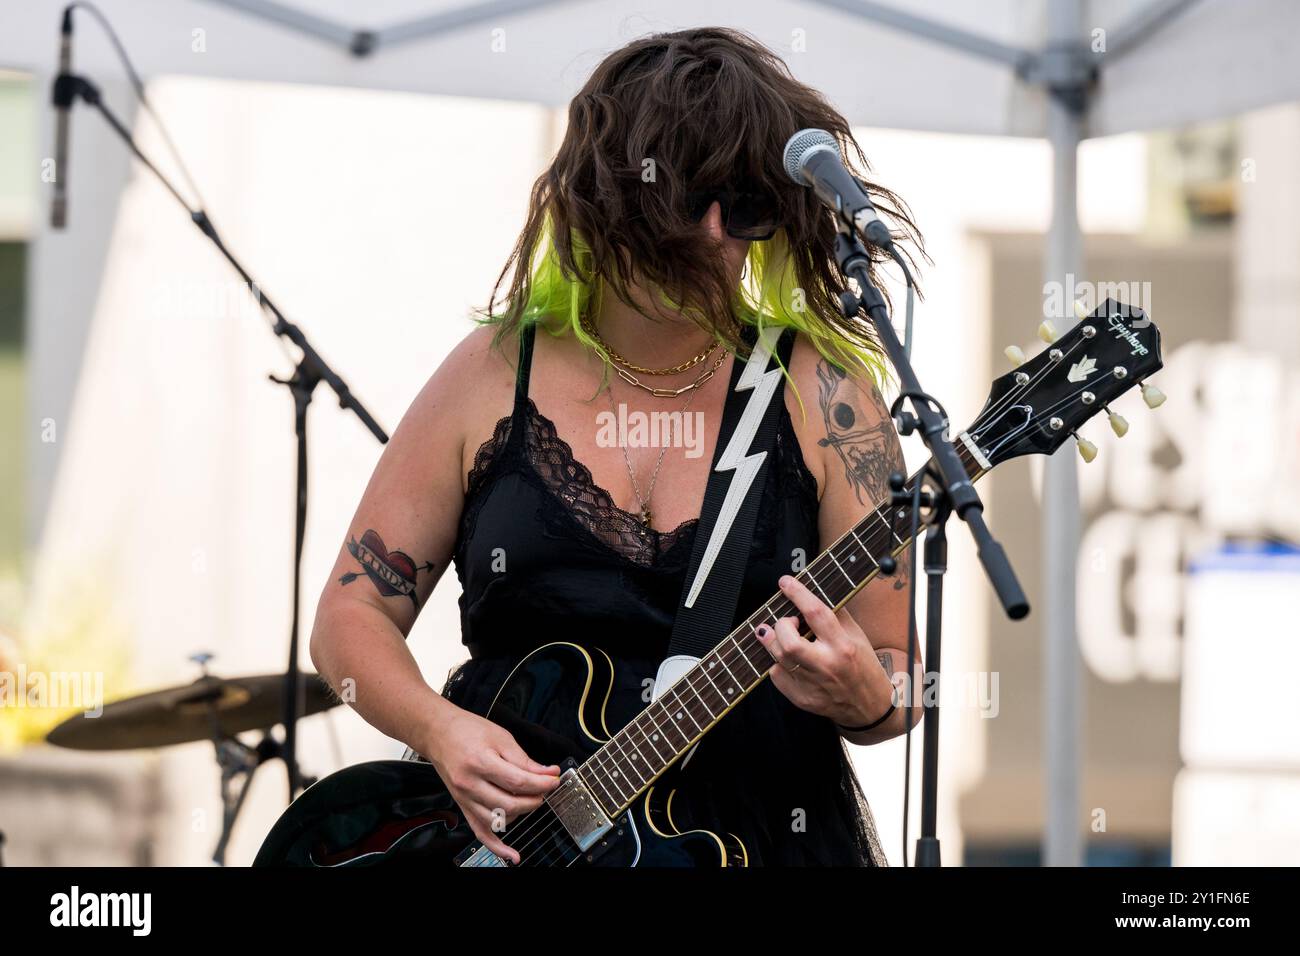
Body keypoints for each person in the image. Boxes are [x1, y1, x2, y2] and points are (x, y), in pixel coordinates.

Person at [309, 26, 927, 867]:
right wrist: (439, 728)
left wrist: (866, 698)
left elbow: (901, 673)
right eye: (688, 198)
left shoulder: (826, 393)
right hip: (511, 846)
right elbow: (352, 616)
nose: (716, 235)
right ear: (609, 201)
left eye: (745, 202)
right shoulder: (493, 374)